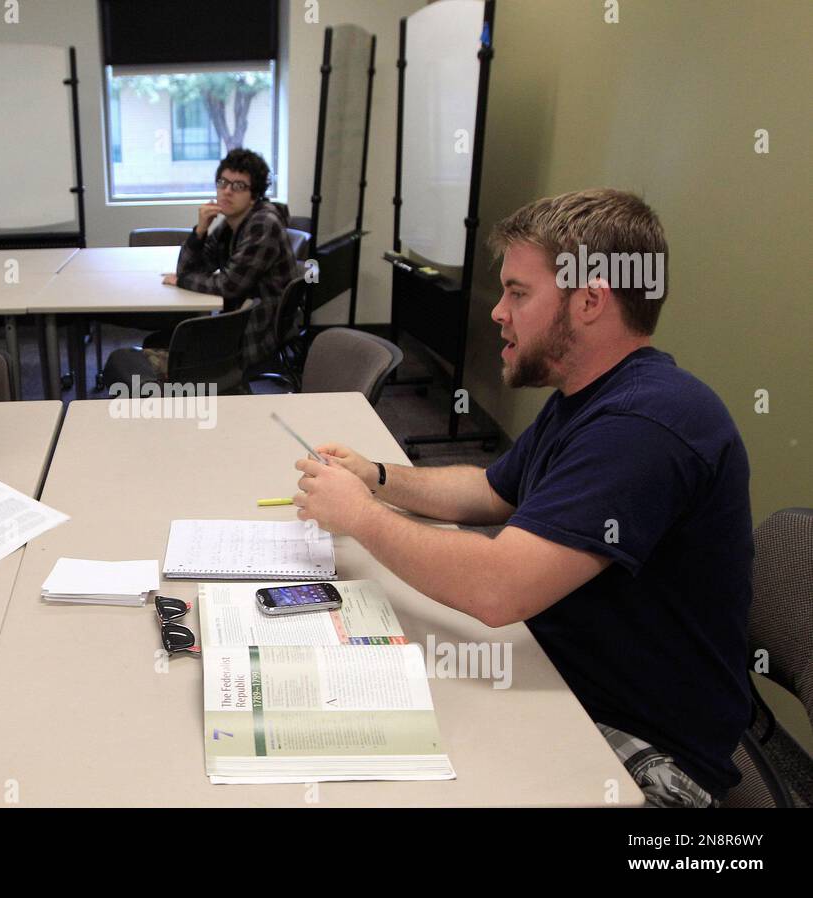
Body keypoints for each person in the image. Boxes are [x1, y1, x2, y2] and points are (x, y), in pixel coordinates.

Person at [291, 189, 751, 807]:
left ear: (590, 300)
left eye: (519, 292)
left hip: (642, 754)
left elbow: (498, 588)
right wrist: (377, 476)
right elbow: (491, 490)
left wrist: (360, 517)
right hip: (562, 677)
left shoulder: (645, 425)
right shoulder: (590, 395)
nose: (498, 313)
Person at [153, 148, 296, 371]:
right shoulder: (232, 223)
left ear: (254, 196)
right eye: (223, 182)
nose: (227, 191)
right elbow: (189, 269)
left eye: (238, 186)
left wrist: (181, 281)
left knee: (161, 347)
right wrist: (200, 230)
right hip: (235, 321)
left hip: (254, 333)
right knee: (159, 341)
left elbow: (228, 286)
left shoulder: (262, 224)